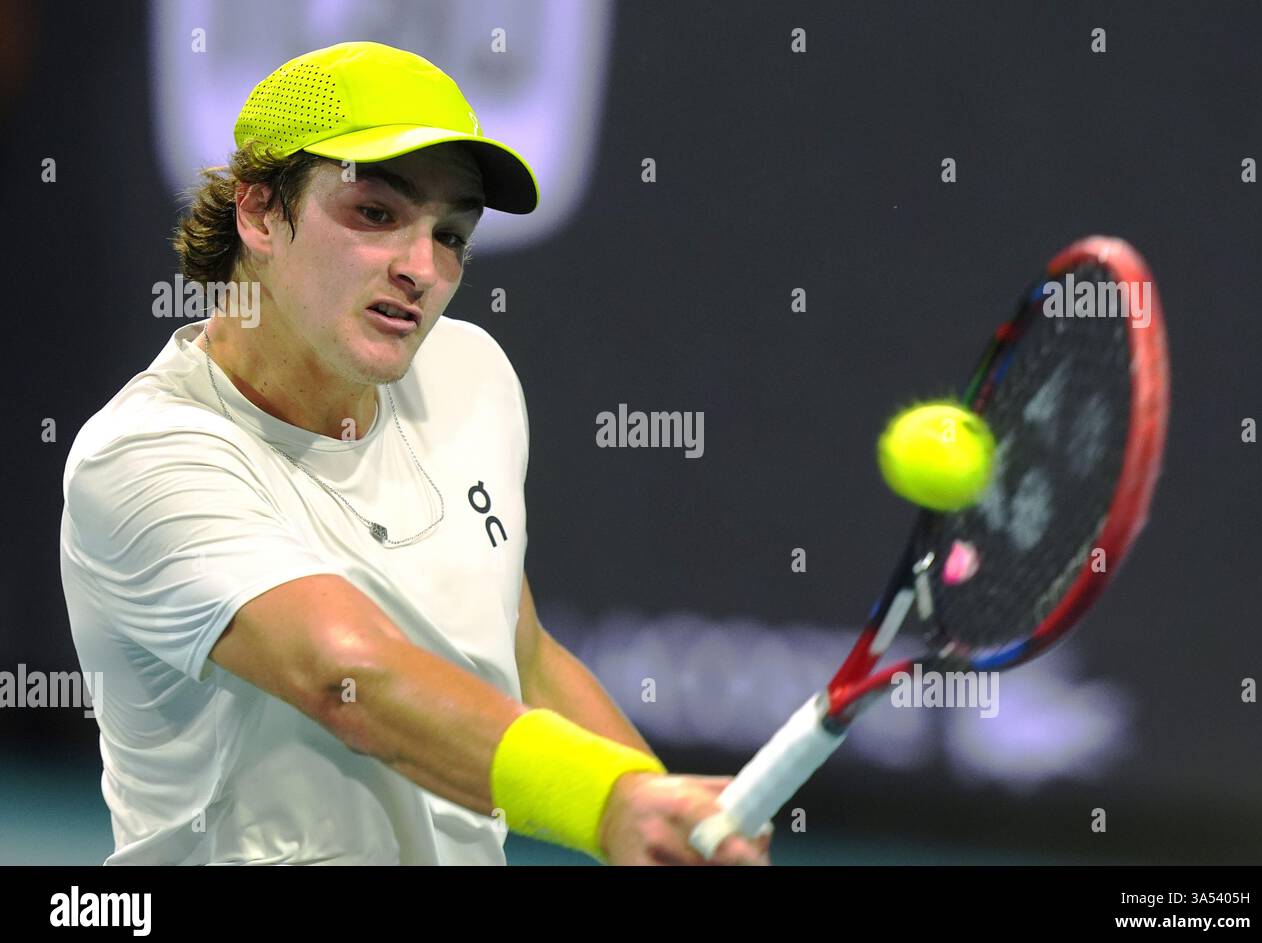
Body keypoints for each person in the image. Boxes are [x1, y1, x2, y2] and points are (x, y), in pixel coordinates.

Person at [58, 41, 770, 866]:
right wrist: (603, 802)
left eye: (453, 234)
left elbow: (519, 658)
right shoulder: (143, 457)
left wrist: (661, 811)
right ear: (258, 214)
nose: (422, 268)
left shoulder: (472, 377)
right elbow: (345, 676)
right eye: (375, 213)